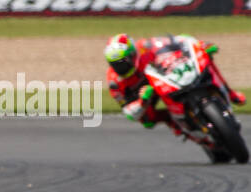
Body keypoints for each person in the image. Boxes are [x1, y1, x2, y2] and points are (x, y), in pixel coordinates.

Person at [105, 33, 245, 134]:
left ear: (133, 53)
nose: (121, 67)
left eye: (125, 61)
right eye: (115, 64)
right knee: (148, 120)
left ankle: (231, 94)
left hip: (165, 79)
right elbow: (128, 112)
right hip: (147, 95)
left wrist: (199, 45)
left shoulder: (145, 47)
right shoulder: (115, 82)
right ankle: (177, 125)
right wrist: (142, 101)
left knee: (206, 58)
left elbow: (180, 40)